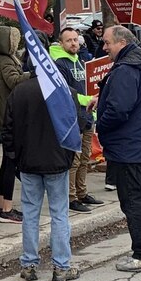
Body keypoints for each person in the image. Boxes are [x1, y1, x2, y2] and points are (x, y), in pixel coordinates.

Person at [4, 53, 81, 281]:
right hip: (57, 161)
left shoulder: (19, 92)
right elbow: (77, 125)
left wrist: (15, 158)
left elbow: (7, 130)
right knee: (59, 214)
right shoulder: (64, 91)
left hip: (28, 161)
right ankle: (61, 266)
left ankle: (29, 264)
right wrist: (68, 157)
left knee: (30, 214)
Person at [94, 25, 141, 272]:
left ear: (122, 43)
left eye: (107, 43)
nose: (104, 47)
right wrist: (102, 99)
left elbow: (119, 110)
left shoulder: (126, 70)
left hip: (128, 147)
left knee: (134, 201)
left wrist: (100, 126)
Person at [49, 28, 102, 213]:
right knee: (75, 160)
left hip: (87, 116)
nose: (73, 43)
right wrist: (88, 100)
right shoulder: (60, 64)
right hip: (73, 118)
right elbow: (66, 93)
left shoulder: (81, 61)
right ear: (61, 43)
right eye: (69, 40)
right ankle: (71, 197)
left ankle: (82, 192)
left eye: (75, 40)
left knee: (86, 157)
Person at [0, 25, 31, 224]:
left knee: (7, 162)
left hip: (4, 116)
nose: (16, 43)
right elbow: (14, 81)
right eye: (13, 40)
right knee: (10, 164)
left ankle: (1, 205)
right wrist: (33, 74)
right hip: (9, 118)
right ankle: (7, 209)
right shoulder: (4, 61)